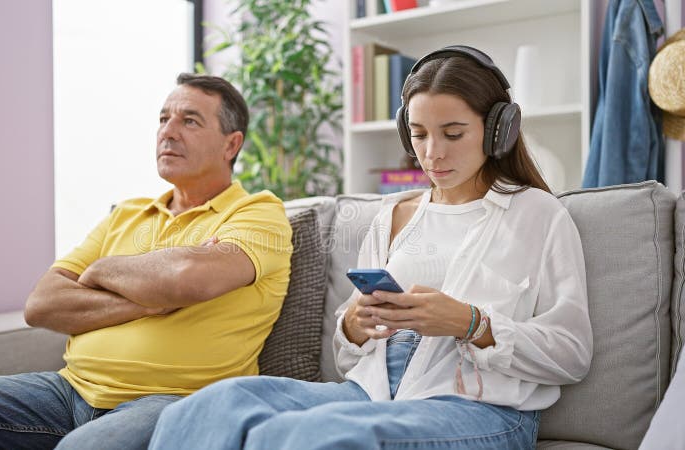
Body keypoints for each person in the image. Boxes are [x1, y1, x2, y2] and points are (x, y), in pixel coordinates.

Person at [147, 46, 593, 450]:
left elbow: (571, 353)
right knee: (219, 401)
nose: (432, 153)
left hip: (476, 409)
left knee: (303, 435)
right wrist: (357, 325)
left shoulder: (536, 214)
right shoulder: (393, 215)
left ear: (498, 130)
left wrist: (469, 322)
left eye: (453, 134)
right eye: (418, 134)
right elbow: (348, 357)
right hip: (369, 395)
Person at [0, 73, 293, 450]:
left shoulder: (257, 213)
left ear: (231, 144)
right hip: (67, 392)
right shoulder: (127, 214)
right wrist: (148, 297)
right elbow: (42, 305)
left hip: (175, 400)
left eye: (189, 121)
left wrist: (102, 272)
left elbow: (189, 279)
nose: (167, 132)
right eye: (163, 119)